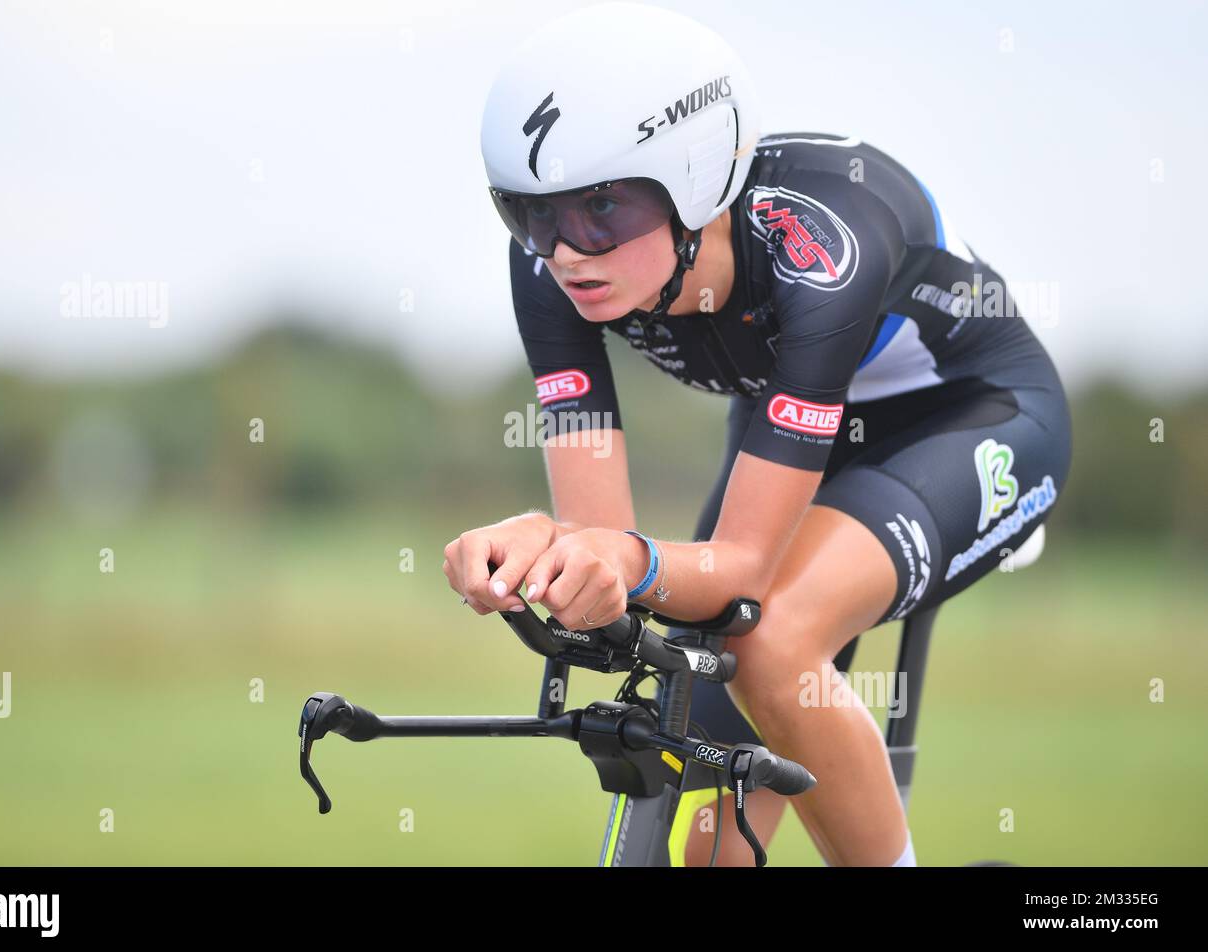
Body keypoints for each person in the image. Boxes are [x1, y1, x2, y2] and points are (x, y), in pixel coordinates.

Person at [443, 1, 1071, 866]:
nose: (563, 252)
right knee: (693, 778)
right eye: (528, 212)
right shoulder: (550, 266)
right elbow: (605, 557)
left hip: (969, 416)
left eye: (598, 210)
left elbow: (739, 570)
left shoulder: (821, 251)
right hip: (793, 424)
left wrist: (622, 558)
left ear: (698, 183)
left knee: (768, 638)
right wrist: (539, 545)